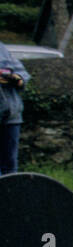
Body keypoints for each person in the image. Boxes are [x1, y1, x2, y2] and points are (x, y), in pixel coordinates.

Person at [0, 42, 30, 176]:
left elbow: (21, 72)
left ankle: (10, 189)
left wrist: (17, 79)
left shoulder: (1, 48)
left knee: (10, 164)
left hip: (11, 115)